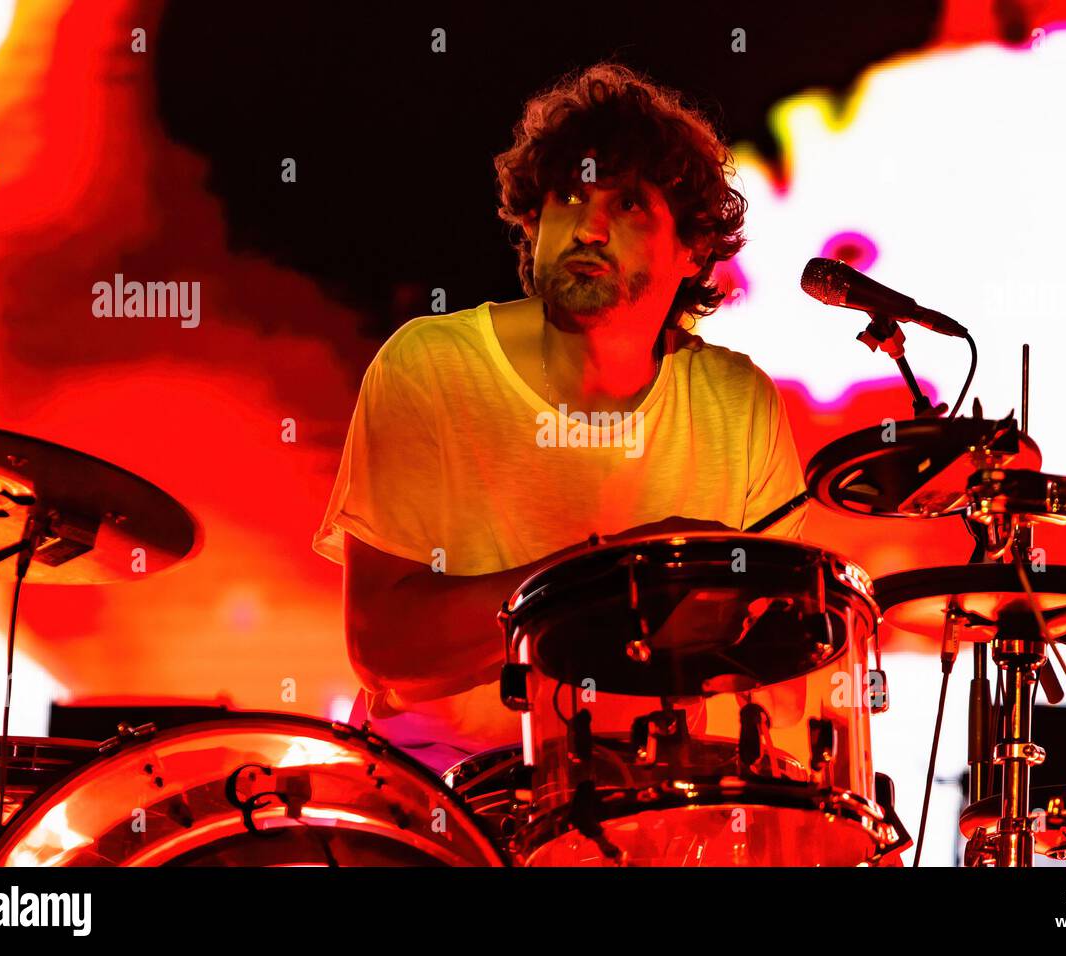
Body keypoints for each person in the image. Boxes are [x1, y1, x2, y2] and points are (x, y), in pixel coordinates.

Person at [313, 62, 807, 771]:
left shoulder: (740, 404)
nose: (591, 227)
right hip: (445, 796)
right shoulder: (429, 366)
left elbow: (782, 687)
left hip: (644, 799)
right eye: (569, 197)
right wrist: (615, 576)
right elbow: (385, 653)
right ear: (533, 219)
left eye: (630, 204)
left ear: (694, 249)